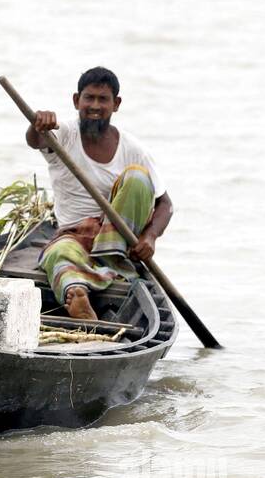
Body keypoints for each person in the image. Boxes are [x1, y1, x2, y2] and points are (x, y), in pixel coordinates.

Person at [26, 66, 173, 321]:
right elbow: (36, 140)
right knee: (57, 253)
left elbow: (165, 204)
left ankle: (109, 260)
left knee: (138, 177)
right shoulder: (64, 134)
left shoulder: (133, 149)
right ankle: (77, 293)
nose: (94, 106)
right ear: (76, 101)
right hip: (75, 235)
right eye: (89, 98)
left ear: (116, 104)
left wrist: (150, 237)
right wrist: (37, 126)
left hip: (117, 239)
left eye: (102, 99)